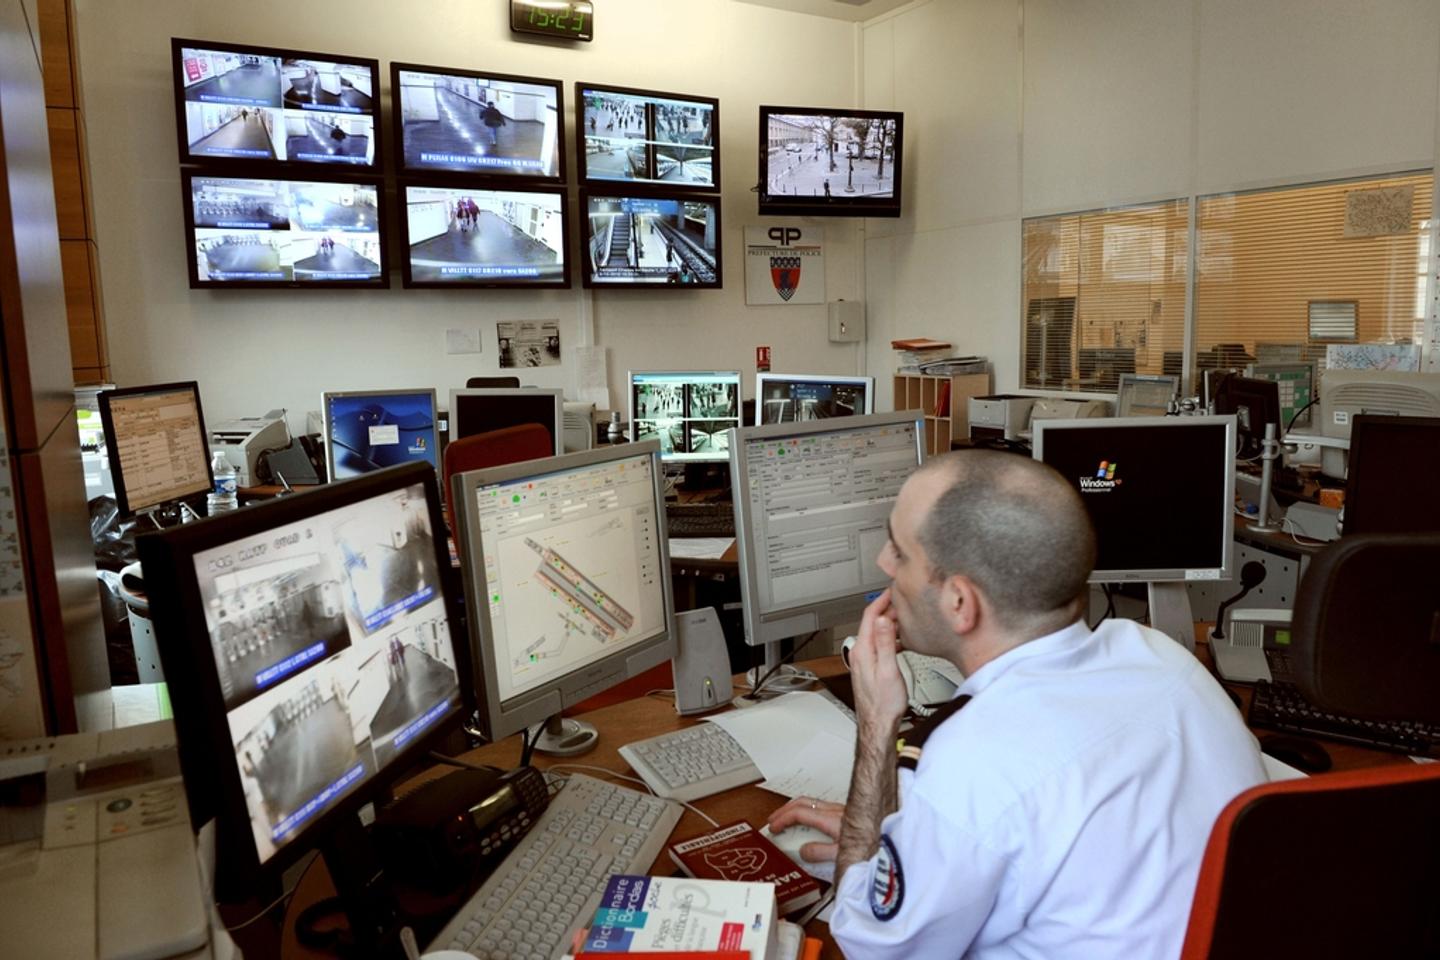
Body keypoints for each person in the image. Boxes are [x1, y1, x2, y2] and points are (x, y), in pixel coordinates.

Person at [767, 451, 1267, 960]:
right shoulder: (1163, 657)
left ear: (959, 603)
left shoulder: (970, 759)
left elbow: (870, 945)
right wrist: (907, 839)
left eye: (900, 551)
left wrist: (876, 724)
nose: (883, 562)